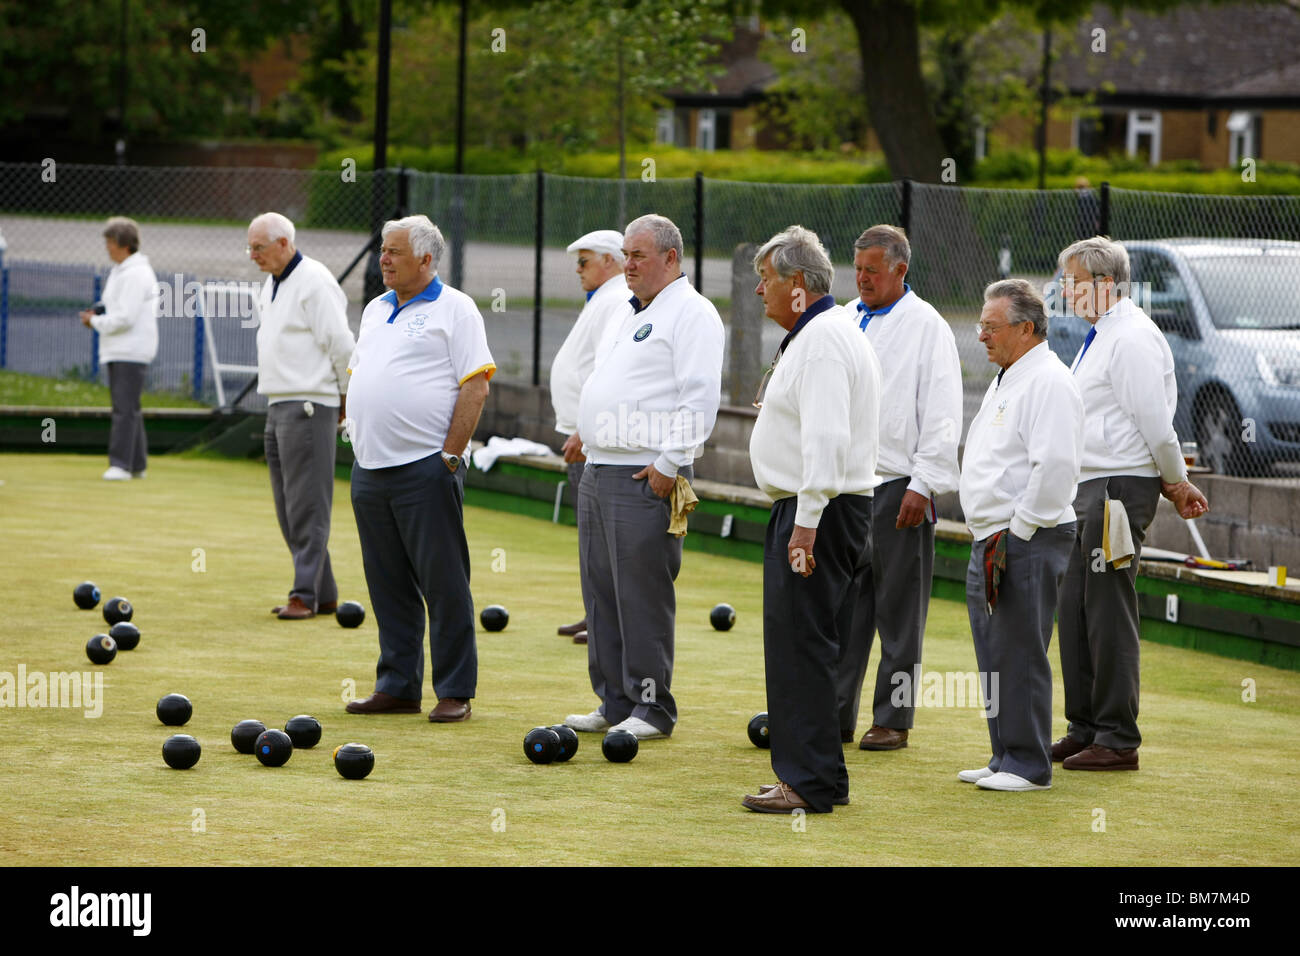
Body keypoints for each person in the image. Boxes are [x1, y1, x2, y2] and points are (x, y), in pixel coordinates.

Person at [563, 214, 724, 741]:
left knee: (642, 594)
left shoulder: (693, 313)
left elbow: (698, 394)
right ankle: (613, 702)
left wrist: (669, 463)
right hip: (598, 467)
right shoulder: (627, 310)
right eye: (626, 255)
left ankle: (652, 708)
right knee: (601, 592)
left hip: (644, 472)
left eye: (638, 256)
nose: (627, 265)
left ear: (671, 258)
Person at [1053, 237, 1209, 771]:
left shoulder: (1132, 337)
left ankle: (1118, 738)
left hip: (1117, 490)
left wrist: (1177, 480)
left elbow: (1155, 424)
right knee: (1075, 607)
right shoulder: (1104, 335)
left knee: (1105, 610)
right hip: (1091, 489)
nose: (1065, 293)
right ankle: (1087, 726)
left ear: (1101, 283)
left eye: (1072, 283)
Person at [742, 226, 881, 814]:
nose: (758, 291)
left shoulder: (823, 339)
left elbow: (827, 436)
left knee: (803, 647)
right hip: (818, 507)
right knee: (809, 644)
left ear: (797, 285)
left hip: (817, 512)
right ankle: (820, 776)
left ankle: (807, 783)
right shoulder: (821, 333)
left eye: (766, 279)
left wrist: (806, 521)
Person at [344, 215, 495, 723]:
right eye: (382, 250)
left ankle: (455, 690)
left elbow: (475, 385)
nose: (382, 259)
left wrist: (449, 458)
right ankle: (398, 685)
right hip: (370, 469)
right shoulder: (373, 308)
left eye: (394, 252)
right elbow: (360, 374)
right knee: (386, 582)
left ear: (427, 259)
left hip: (426, 468)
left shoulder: (457, 309)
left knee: (444, 582)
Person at [835, 224, 962, 751]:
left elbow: (942, 410)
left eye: (873, 270)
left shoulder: (927, 326)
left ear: (900, 270)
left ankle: (893, 720)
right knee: (843, 608)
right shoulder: (844, 317)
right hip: (845, 485)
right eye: (858, 269)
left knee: (899, 613)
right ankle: (834, 712)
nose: (862, 279)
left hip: (897, 486)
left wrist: (925, 482)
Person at [958, 279, 1083, 792]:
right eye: (981, 325)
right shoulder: (1008, 376)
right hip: (991, 536)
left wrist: (1019, 529)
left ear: (1025, 328)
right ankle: (1004, 753)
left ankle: (1029, 765)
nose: (982, 335)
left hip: (1027, 537)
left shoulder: (1048, 381)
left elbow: (1054, 466)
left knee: (1021, 649)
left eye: (991, 326)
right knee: (993, 651)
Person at [248, 212, 356, 620]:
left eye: (258, 247)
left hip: (310, 405)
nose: (252, 255)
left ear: (283, 243)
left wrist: (347, 395)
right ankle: (324, 593)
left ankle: (304, 595)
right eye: (250, 247)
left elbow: (342, 344)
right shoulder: (273, 283)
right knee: (287, 505)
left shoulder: (315, 281)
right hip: (278, 402)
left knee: (307, 505)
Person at [550, 229, 629, 645]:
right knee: (590, 539)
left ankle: (603, 621)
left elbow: (606, 371)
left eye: (584, 261)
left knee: (599, 539)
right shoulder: (605, 298)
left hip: (591, 438)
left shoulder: (614, 300)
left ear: (609, 261)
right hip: (584, 435)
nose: (578, 270)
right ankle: (594, 614)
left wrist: (585, 429)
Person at [79, 217, 158, 481]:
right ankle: (137, 464)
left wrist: (96, 321)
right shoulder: (121, 270)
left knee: (124, 408)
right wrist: (99, 311)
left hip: (131, 349)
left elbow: (126, 318)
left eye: (110, 243)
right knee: (128, 406)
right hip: (119, 348)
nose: (107, 248)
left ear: (123, 244)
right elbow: (113, 304)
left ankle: (120, 465)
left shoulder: (136, 273)